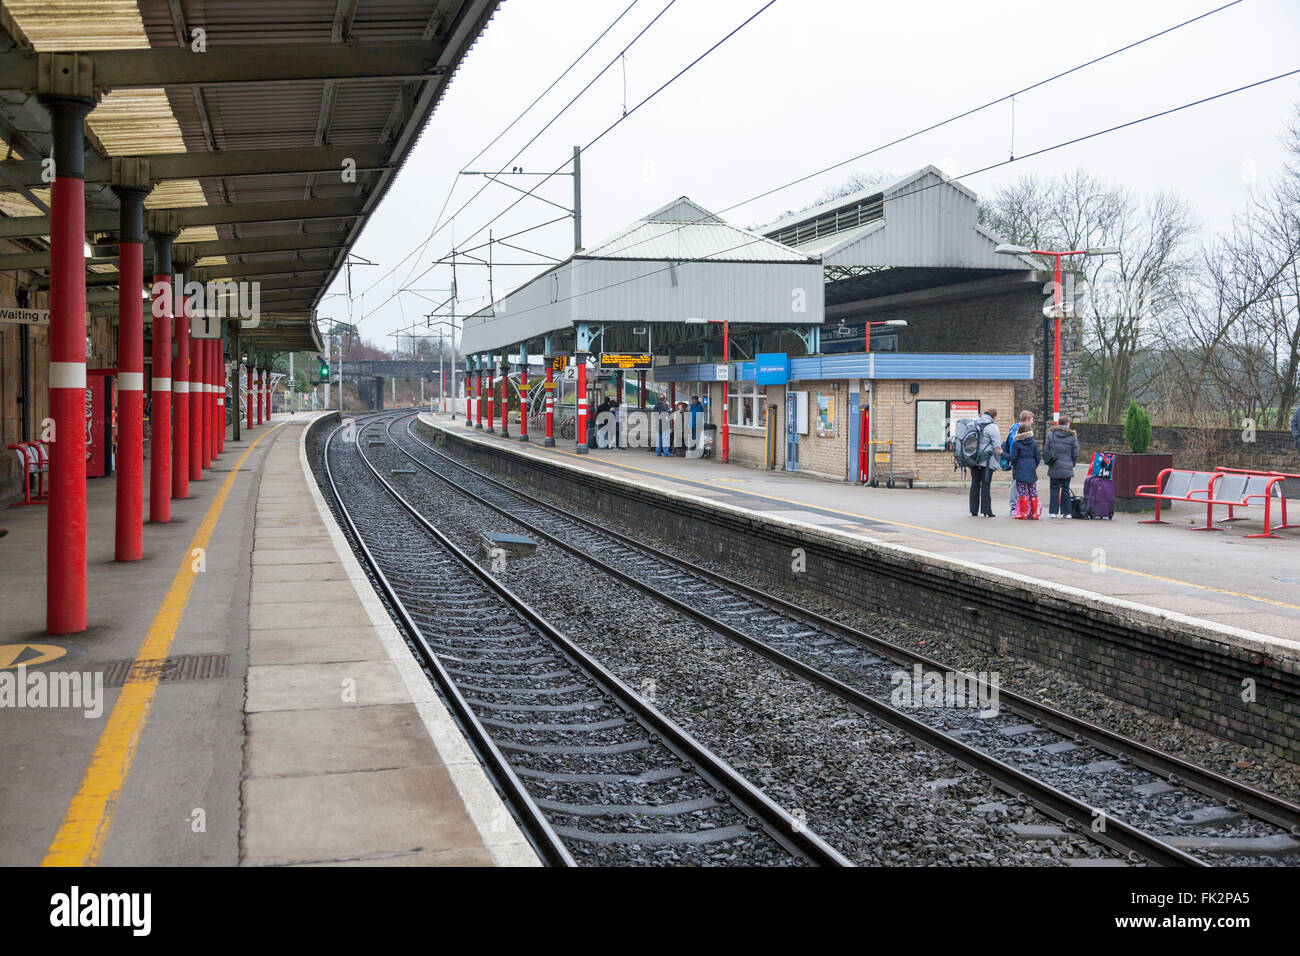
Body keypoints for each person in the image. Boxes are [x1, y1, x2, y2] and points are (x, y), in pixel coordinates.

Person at [1044, 413, 1081, 518]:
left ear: (1058, 423)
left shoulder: (1051, 434)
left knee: (1054, 488)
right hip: (1067, 466)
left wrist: (1048, 462)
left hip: (1054, 465)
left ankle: (1053, 512)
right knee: (1065, 488)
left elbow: (1046, 450)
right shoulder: (1072, 436)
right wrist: (1072, 463)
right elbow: (1076, 452)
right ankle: (1067, 512)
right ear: (1067, 423)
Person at [967, 408, 1000, 518]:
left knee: (975, 484)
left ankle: (973, 510)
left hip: (973, 458)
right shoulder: (992, 427)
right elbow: (997, 446)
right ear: (994, 416)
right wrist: (998, 461)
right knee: (986, 485)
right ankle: (986, 510)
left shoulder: (973, 423)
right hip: (986, 461)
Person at [1009, 410, 1042, 519]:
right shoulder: (1033, 443)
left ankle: (1023, 513)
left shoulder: (1017, 443)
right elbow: (1038, 457)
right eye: (1031, 419)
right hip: (1031, 472)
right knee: (1033, 492)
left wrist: (1002, 454)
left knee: (1022, 492)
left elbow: (1013, 457)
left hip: (1020, 471)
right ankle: (1034, 514)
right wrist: (1033, 466)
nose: (1032, 421)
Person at [1001, 416, 1021, 515]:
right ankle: (1014, 507)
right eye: (1031, 420)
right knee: (1015, 483)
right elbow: (1014, 450)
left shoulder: (1014, 430)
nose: (1032, 422)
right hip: (1017, 462)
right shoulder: (1016, 432)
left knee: (1017, 483)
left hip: (1018, 462)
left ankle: (1018, 506)